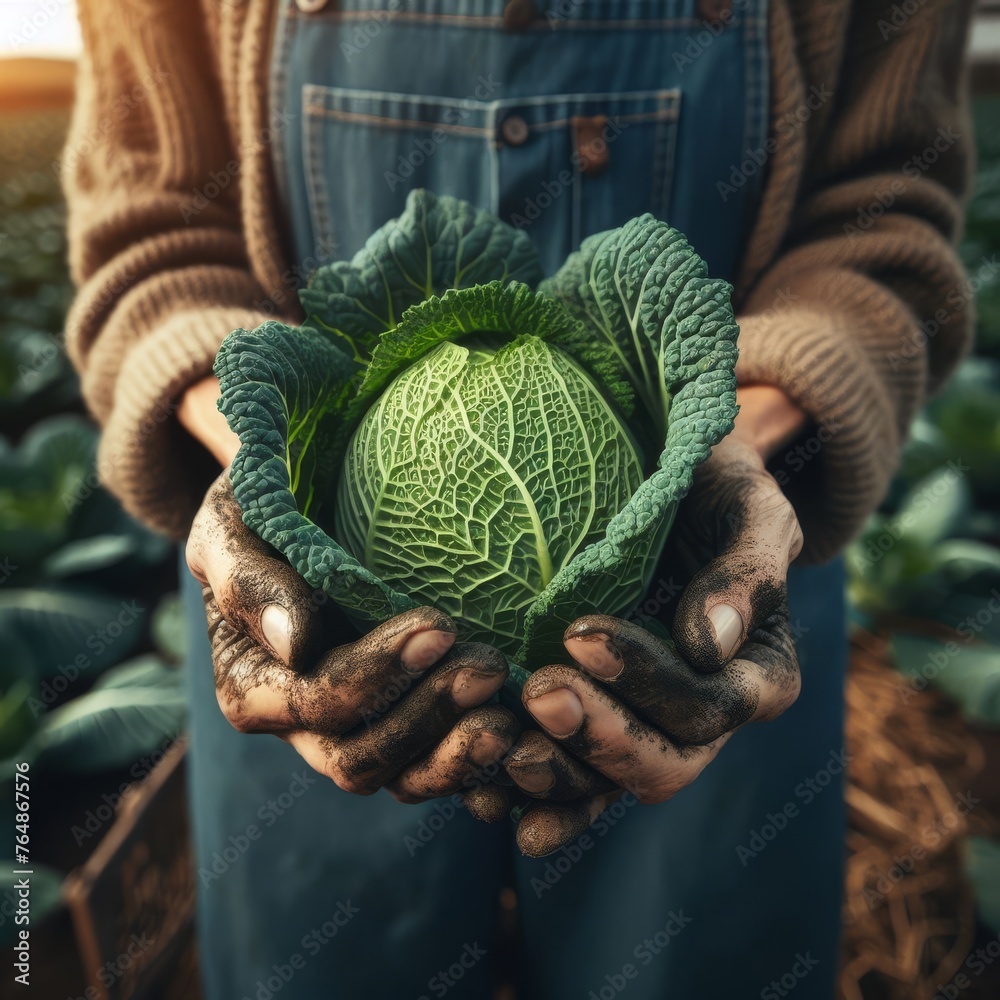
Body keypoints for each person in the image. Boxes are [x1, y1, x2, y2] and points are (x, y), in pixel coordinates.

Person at [63, 0, 974, 996]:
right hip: (313, 644)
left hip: (708, 600)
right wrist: (262, 465)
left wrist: (734, 445)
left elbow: (884, 209)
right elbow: (149, 224)